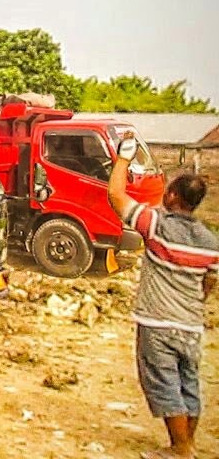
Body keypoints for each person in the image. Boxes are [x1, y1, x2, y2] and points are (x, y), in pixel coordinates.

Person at [107, 133, 218, 459]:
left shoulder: (156, 225)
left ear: (172, 196)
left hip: (157, 322)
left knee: (163, 383)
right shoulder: (210, 241)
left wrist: (124, 156)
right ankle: (187, 444)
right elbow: (208, 284)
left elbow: (115, 195)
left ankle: (180, 449)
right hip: (191, 325)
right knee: (188, 383)